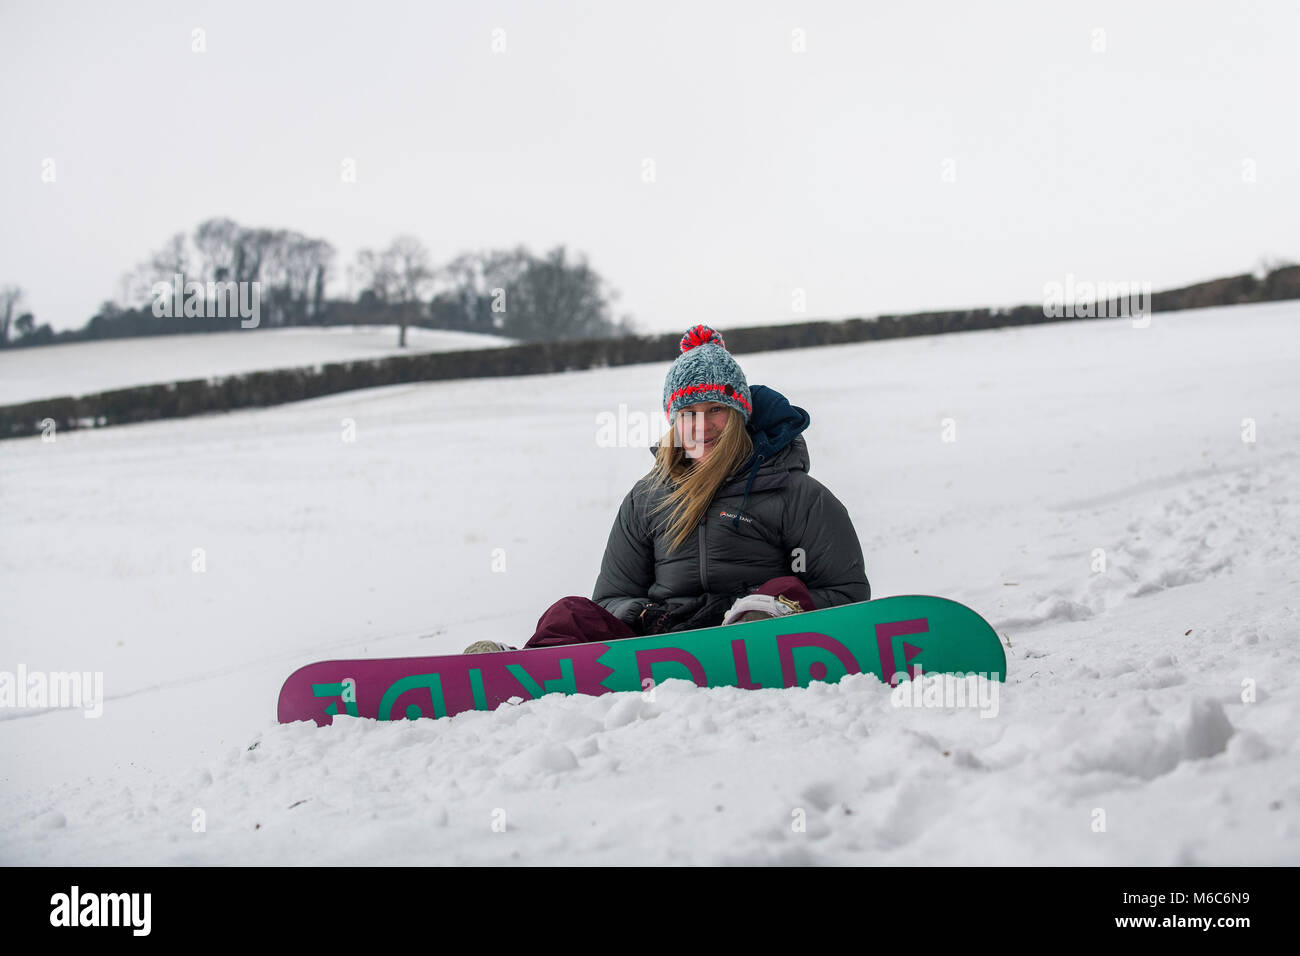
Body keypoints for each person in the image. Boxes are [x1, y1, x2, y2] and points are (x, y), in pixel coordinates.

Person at [464, 324, 870, 653]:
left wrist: (772, 606)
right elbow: (611, 595)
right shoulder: (647, 499)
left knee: (784, 591)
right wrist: (643, 613)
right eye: (689, 413)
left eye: (717, 411)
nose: (703, 425)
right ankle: (526, 667)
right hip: (664, 641)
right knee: (570, 612)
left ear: (741, 415)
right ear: (674, 421)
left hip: (752, 634)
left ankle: (757, 630)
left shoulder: (797, 494)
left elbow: (847, 591)